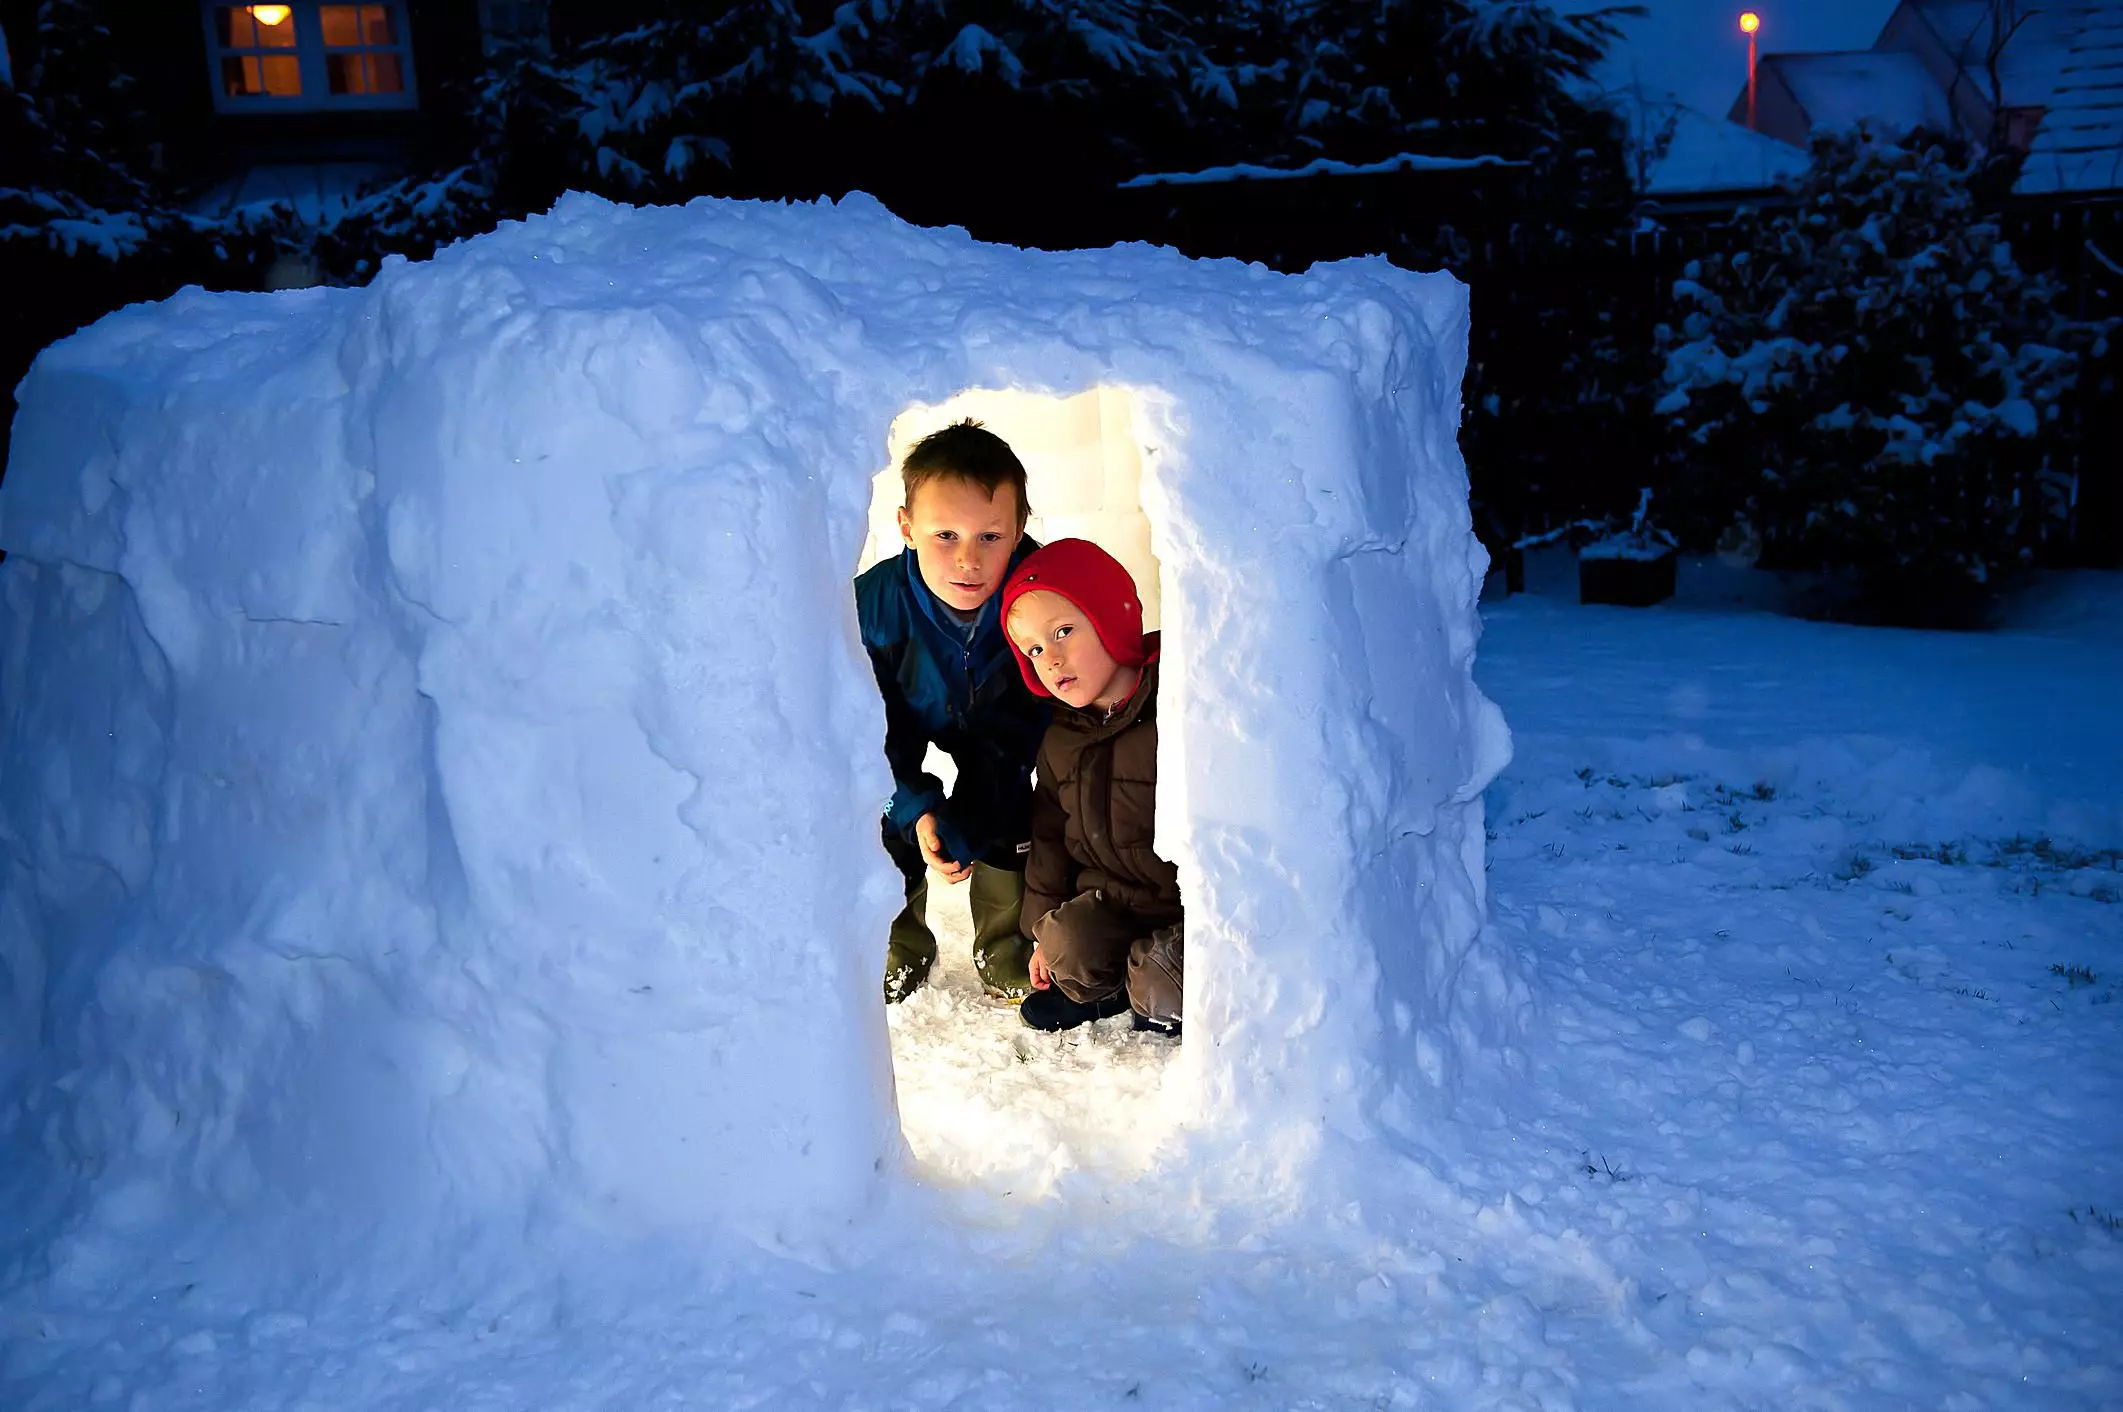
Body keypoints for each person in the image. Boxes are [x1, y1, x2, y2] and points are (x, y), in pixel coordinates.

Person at [854, 420, 1048, 1002]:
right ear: (907, 529)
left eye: (991, 537)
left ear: (1019, 531)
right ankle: (901, 938)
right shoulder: (874, 608)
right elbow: (867, 735)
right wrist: (917, 810)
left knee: (1009, 806)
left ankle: (1004, 940)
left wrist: (966, 822)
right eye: (945, 535)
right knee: (880, 810)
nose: (968, 560)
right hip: (904, 714)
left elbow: (1019, 736)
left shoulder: (1036, 596)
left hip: (997, 721)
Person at [999, 539, 1182, 1035]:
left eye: (1063, 632)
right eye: (1035, 649)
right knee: (1061, 941)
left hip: (1184, 909)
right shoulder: (1061, 736)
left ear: (1109, 619)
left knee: (1163, 984)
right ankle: (1112, 989)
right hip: (1114, 906)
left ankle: (1151, 989)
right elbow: (1052, 836)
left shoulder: (1178, 705)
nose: (1052, 659)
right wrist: (1039, 931)